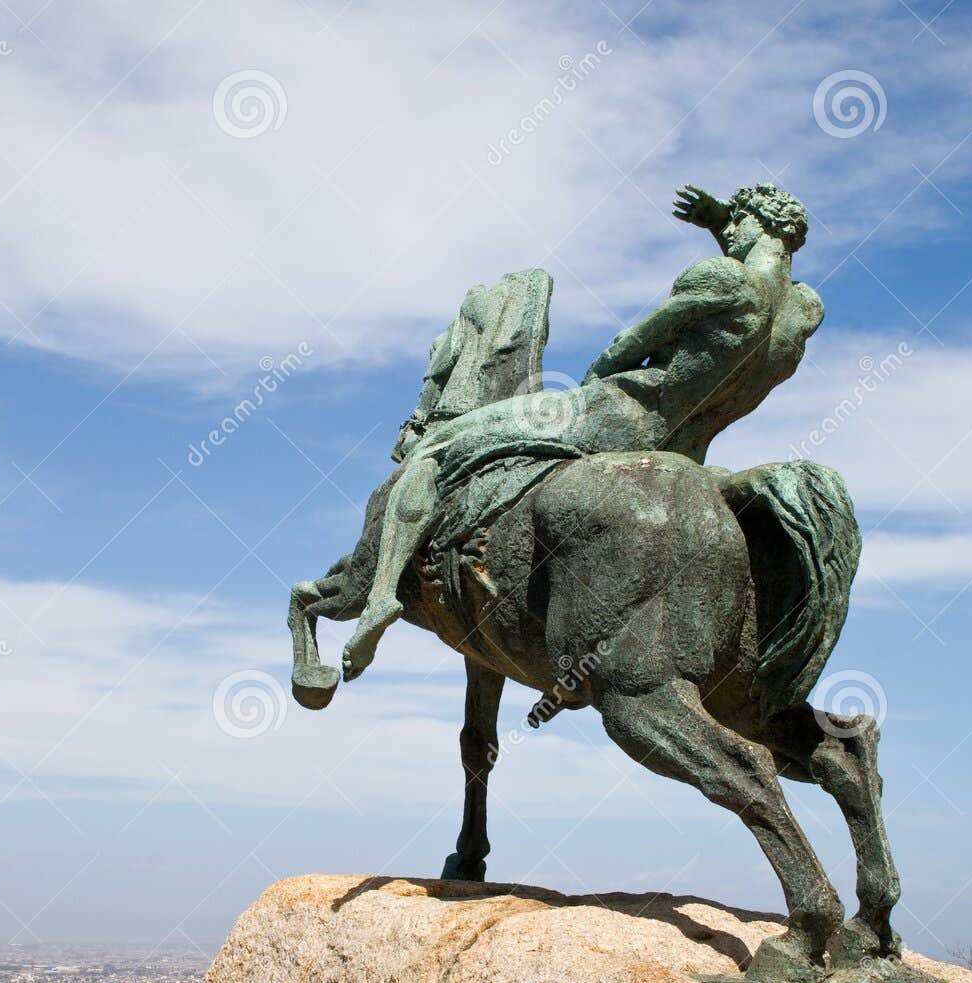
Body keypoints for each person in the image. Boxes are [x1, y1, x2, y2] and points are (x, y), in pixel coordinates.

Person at [340, 183, 824, 680]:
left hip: (622, 413)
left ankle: (381, 597)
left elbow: (633, 341)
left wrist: (594, 380)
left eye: (739, 220)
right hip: (688, 446)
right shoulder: (802, 310)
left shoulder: (721, 277)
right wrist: (724, 222)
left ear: (757, 222)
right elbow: (752, 295)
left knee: (440, 445)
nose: (731, 229)